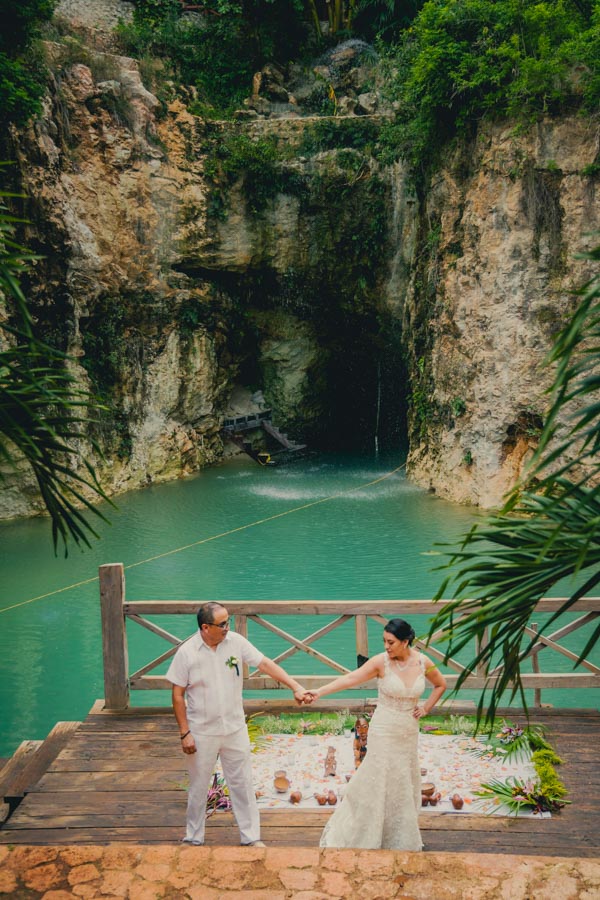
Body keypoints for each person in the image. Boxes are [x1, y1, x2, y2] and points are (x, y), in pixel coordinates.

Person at [166, 602, 308, 847]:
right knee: (198, 786)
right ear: (205, 627)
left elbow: (264, 664)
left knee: (242, 784)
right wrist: (184, 732)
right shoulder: (187, 652)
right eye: (222, 624)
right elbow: (177, 695)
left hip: (234, 727)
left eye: (228, 621)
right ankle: (194, 837)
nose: (227, 628)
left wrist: (295, 686)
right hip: (202, 731)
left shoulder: (236, 642)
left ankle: (251, 837)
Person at [304, 618, 446, 850]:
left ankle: (398, 834)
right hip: (384, 729)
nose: (386, 646)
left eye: (391, 642)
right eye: (384, 641)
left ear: (405, 642)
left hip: (408, 731)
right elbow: (351, 679)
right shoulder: (381, 662)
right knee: (378, 778)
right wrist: (319, 691)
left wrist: (426, 708)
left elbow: (441, 684)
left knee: (402, 779)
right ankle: (368, 831)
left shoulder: (423, 662)